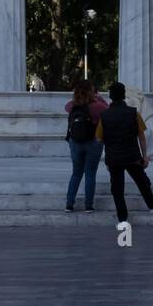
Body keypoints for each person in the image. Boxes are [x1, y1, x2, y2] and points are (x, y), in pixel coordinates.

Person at [95, 81, 153, 222]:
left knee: (117, 188)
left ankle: (122, 217)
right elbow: (141, 136)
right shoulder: (134, 113)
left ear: (111, 97)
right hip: (132, 156)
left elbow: (99, 139)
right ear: (123, 96)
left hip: (113, 157)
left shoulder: (104, 115)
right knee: (142, 182)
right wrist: (144, 156)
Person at [64, 80, 108, 213]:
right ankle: (88, 205)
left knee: (76, 173)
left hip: (75, 142)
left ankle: (69, 204)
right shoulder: (98, 106)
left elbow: (66, 107)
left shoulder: (72, 105)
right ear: (91, 91)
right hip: (93, 142)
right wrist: (99, 97)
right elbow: (108, 109)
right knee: (90, 174)